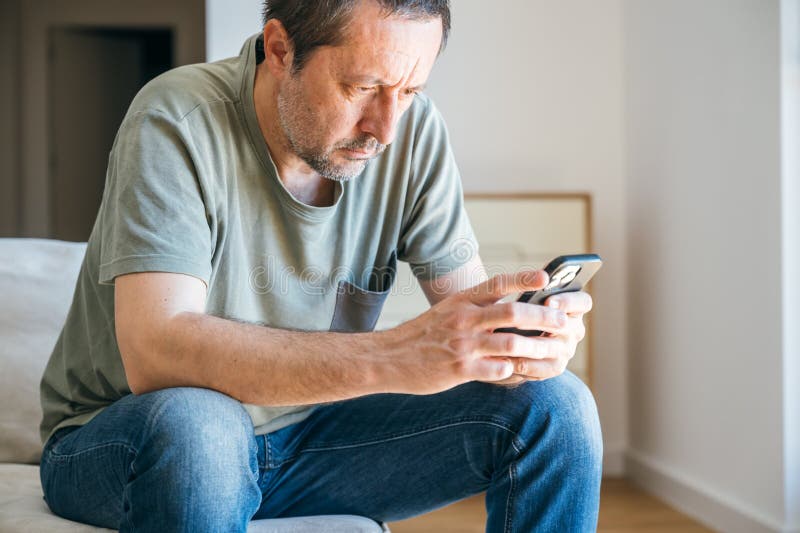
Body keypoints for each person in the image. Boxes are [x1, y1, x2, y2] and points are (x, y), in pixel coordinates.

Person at [38, 1, 602, 531]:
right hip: (127, 439)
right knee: (201, 427)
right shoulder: (176, 119)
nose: (384, 129)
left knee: (557, 405)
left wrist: (515, 341)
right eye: (364, 87)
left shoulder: (411, 132)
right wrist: (398, 356)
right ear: (280, 48)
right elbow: (156, 352)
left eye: (408, 91)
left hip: (309, 439)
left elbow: (465, 306)